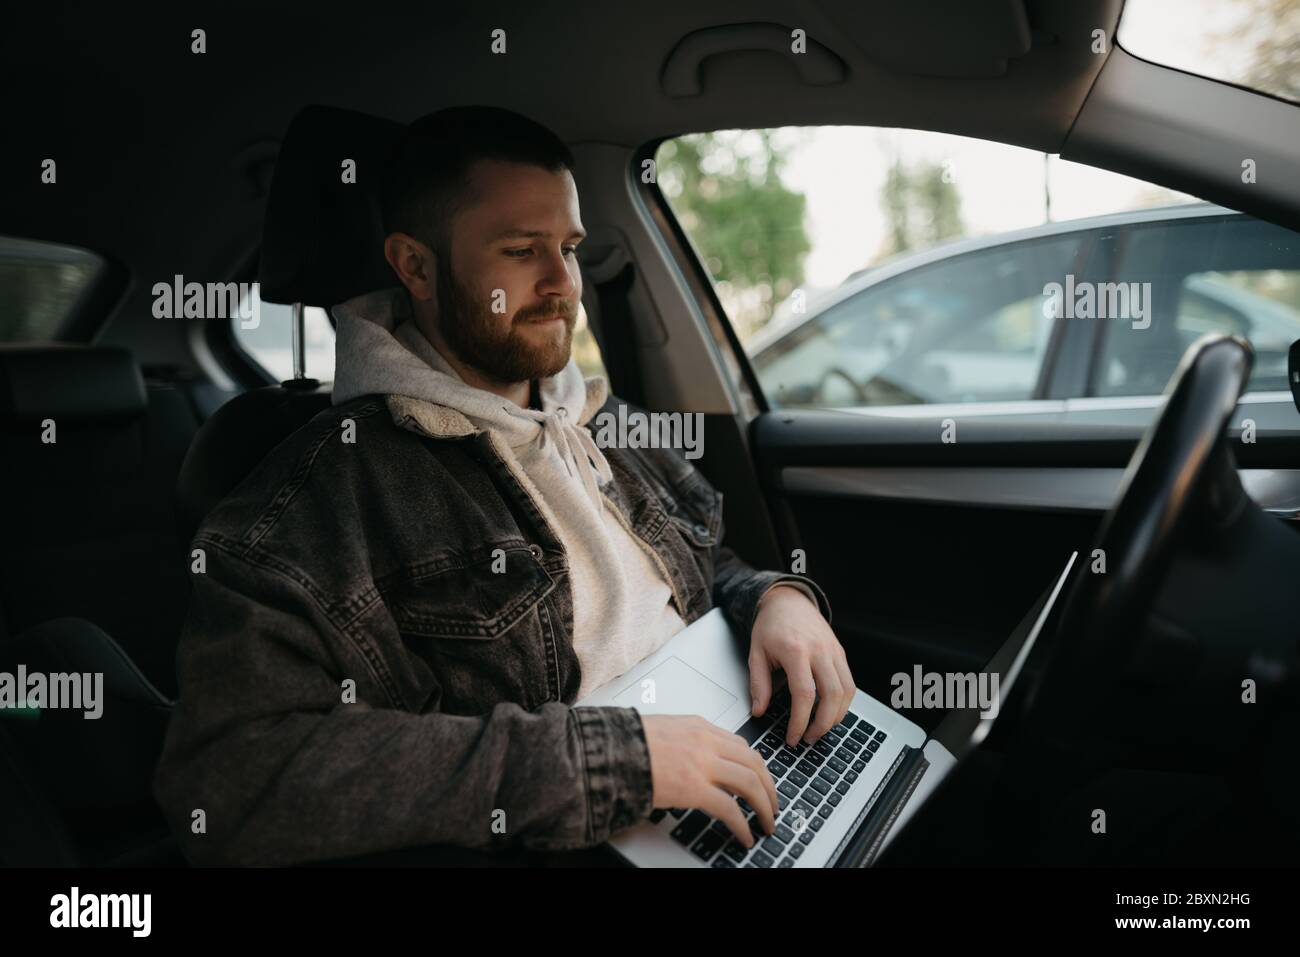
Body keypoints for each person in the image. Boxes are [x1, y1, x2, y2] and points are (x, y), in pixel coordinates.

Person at [153, 106, 853, 866]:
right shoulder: (321, 493)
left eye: (570, 247)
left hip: (736, 761)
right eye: (522, 250)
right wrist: (605, 761)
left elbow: (704, 562)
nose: (562, 285)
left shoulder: (598, 416)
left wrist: (773, 598)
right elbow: (229, 776)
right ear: (416, 267)